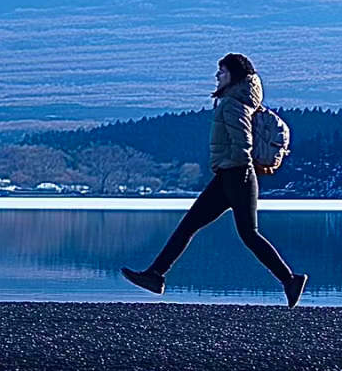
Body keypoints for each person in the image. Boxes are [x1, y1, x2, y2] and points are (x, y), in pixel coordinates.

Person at [121, 52, 308, 305]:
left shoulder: (233, 104)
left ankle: (290, 280)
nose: (217, 76)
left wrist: (239, 168)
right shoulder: (237, 100)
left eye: (222, 72)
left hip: (236, 174)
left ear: (234, 75)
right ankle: (155, 275)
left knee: (245, 233)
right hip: (230, 174)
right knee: (199, 227)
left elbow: (242, 140)